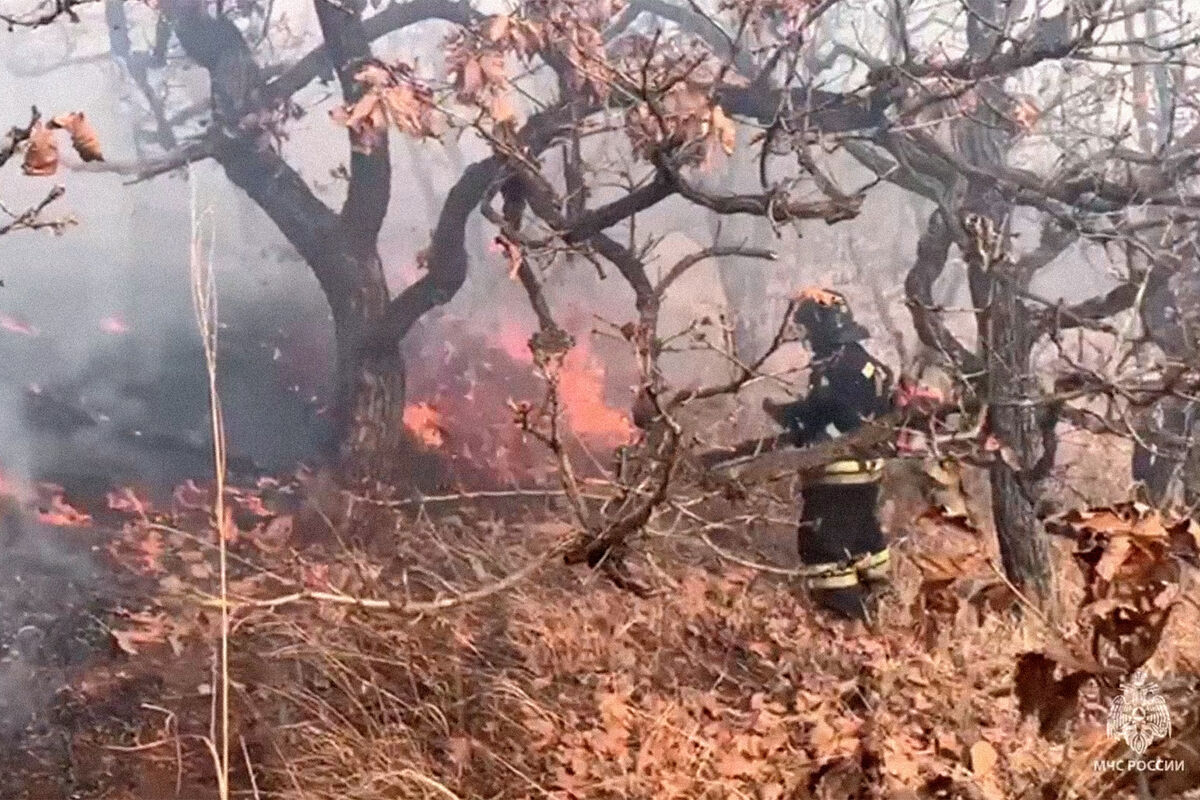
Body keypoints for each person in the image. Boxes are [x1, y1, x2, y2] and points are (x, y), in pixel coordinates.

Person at [762, 287, 894, 621]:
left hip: (839, 472)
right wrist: (791, 415)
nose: (805, 337)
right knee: (861, 534)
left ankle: (844, 614)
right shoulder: (860, 359)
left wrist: (802, 425)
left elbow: (841, 416)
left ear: (822, 326)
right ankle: (880, 603)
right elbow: (840, 410)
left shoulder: (839, 366)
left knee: (823, 541)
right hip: (865, 471)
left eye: (807, 328)